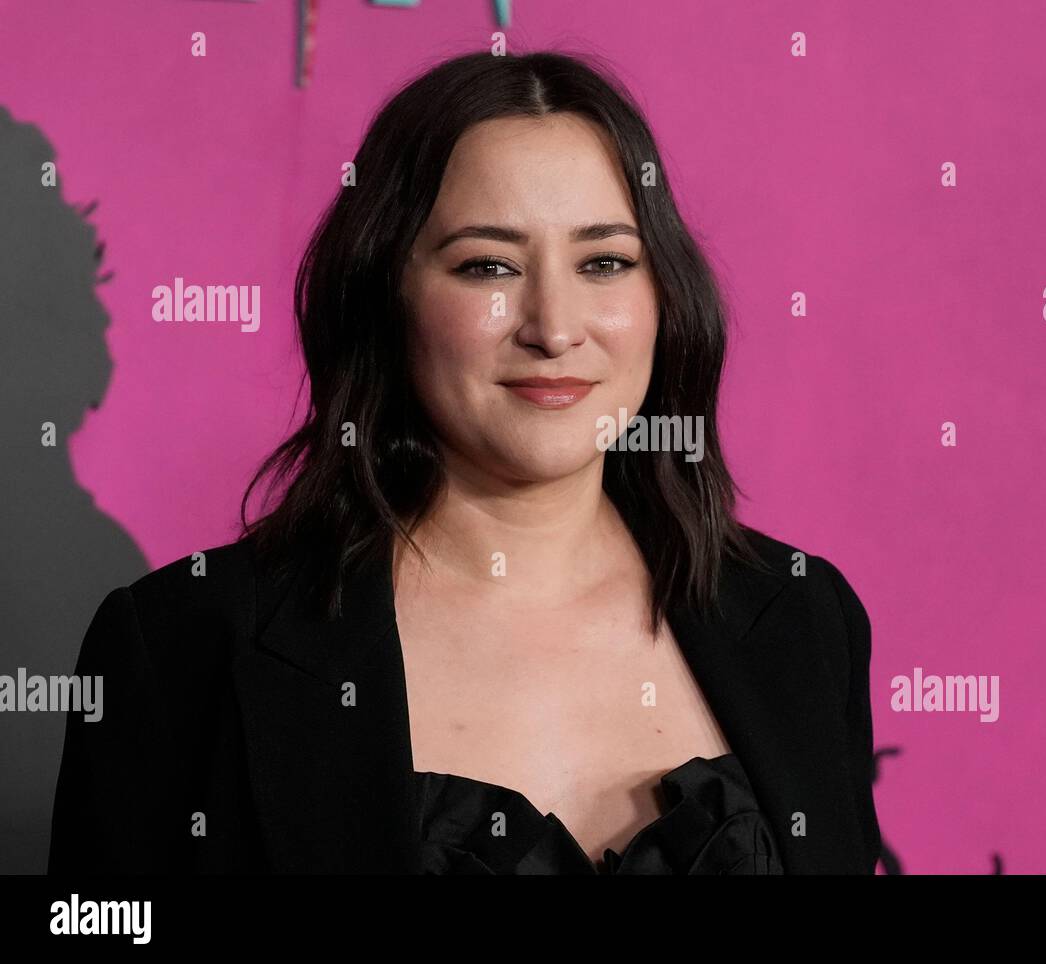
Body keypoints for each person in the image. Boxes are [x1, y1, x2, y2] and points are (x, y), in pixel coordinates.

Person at [47, 49, 881, 875]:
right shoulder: (180, 646)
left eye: (605, 263)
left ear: (666, 298)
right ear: (383, 295)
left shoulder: (806, 621)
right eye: (489, 266)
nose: (554, 328)